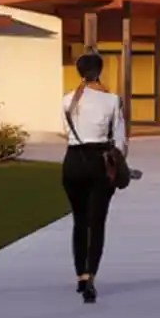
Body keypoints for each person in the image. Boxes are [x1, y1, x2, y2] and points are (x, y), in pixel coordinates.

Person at [62, 49, 127, 304]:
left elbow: (65, 131)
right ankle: (91, 278)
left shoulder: (67, 100)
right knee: (96, 222)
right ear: (99, 71)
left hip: (73, 162)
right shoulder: (112, 100)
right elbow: (120, 141)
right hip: (99, 162)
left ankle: (80, 274)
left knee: (79, 221)